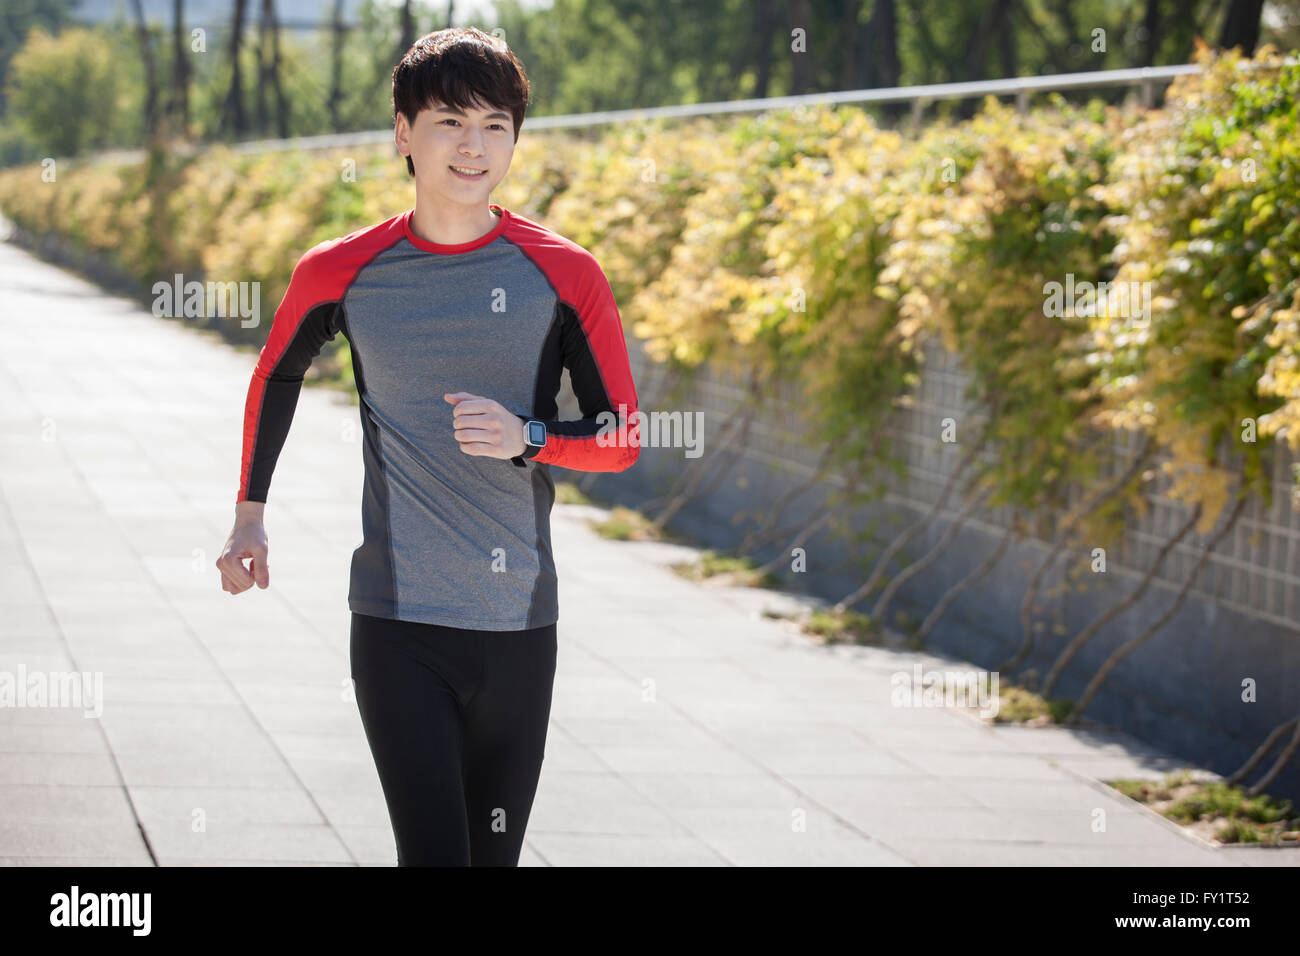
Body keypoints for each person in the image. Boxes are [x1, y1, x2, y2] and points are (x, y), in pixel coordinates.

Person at [214, 26, 641, 866]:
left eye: (495, 125)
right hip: (396, 622)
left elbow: (622, 438)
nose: (473, 146)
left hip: (519, 623)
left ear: (516, 138)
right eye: (449, 121)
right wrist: (249, 516)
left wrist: (528, 438)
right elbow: (275, 376)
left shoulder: (565, 274)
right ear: (403, 134)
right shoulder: (341, 270)